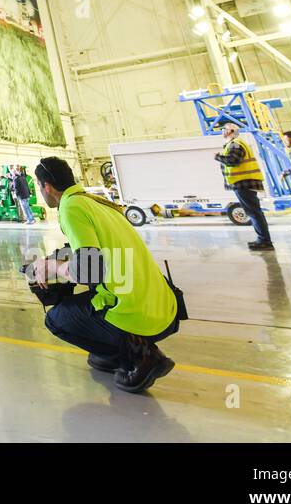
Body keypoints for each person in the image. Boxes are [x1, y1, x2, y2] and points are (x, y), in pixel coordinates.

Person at [28, 157, 180, 393]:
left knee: (56, 320)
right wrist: (52, 260)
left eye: (39, 186)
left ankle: (141, 356)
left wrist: (53, 268)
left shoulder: (71, 207)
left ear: (46, 186)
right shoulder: (95, 202)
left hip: (138, 313)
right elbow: (94, 248)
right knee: (79, 293)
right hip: (163, 306)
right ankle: (111, 353)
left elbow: (89, 271)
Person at [215, 122, 273, 250]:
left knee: (254, 213)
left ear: (230, 131)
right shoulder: (237, 143)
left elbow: (233, 161)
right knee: (254, 212)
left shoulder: (235, 143)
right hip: (244, 182)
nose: (222, 132)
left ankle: (264, 241)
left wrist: (219, 157)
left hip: (243, 182)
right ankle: (263, 239)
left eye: (223, 129)